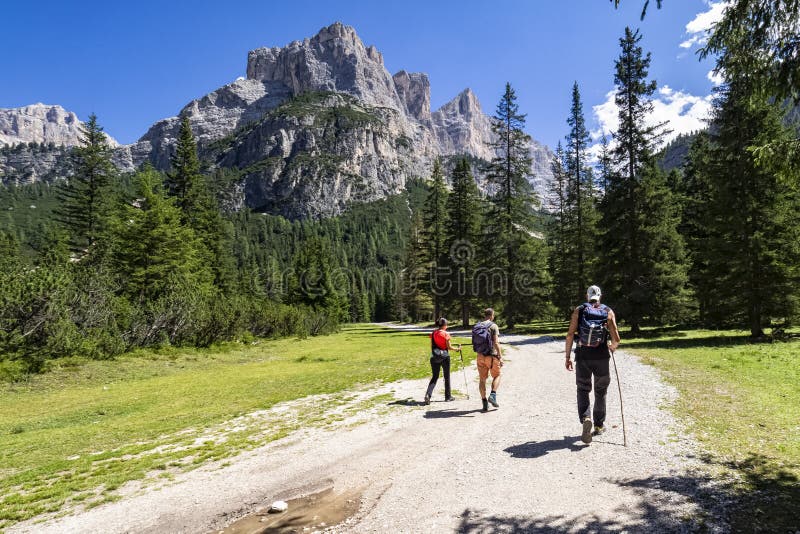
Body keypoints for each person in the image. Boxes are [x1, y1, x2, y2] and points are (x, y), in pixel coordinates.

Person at [565, 285, 621, 444]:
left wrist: (567, 356)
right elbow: (616, 338)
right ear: (600, 296)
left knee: (583, 389)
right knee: (600, 391)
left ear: (587, 295)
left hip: (583, 356)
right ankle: (598, 425)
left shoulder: (579, 310)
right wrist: (612, 346)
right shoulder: (608, 311)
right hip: (602, 357)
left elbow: (570, 335)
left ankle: (586, 418)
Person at [472, 308, 502, 412]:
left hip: (480, 355)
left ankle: (484, 402)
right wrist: (500, 356)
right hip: (491, 356)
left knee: (482, 379)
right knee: (497, 375)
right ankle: (493, 395)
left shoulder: (477, 326)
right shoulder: (493, 326)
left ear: (485, 315)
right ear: (492, 315)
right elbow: (496, 343)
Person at [424, 317, 460, 404]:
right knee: (446, 376)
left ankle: (428, 395)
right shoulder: (446, 334)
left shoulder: (433, 333)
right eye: (446, 325)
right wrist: (457, 349)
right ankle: (448, 397)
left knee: (435, 376)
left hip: (434, 357)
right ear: (444, 325)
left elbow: (432, 345)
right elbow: (449, 347)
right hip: (444, 357)